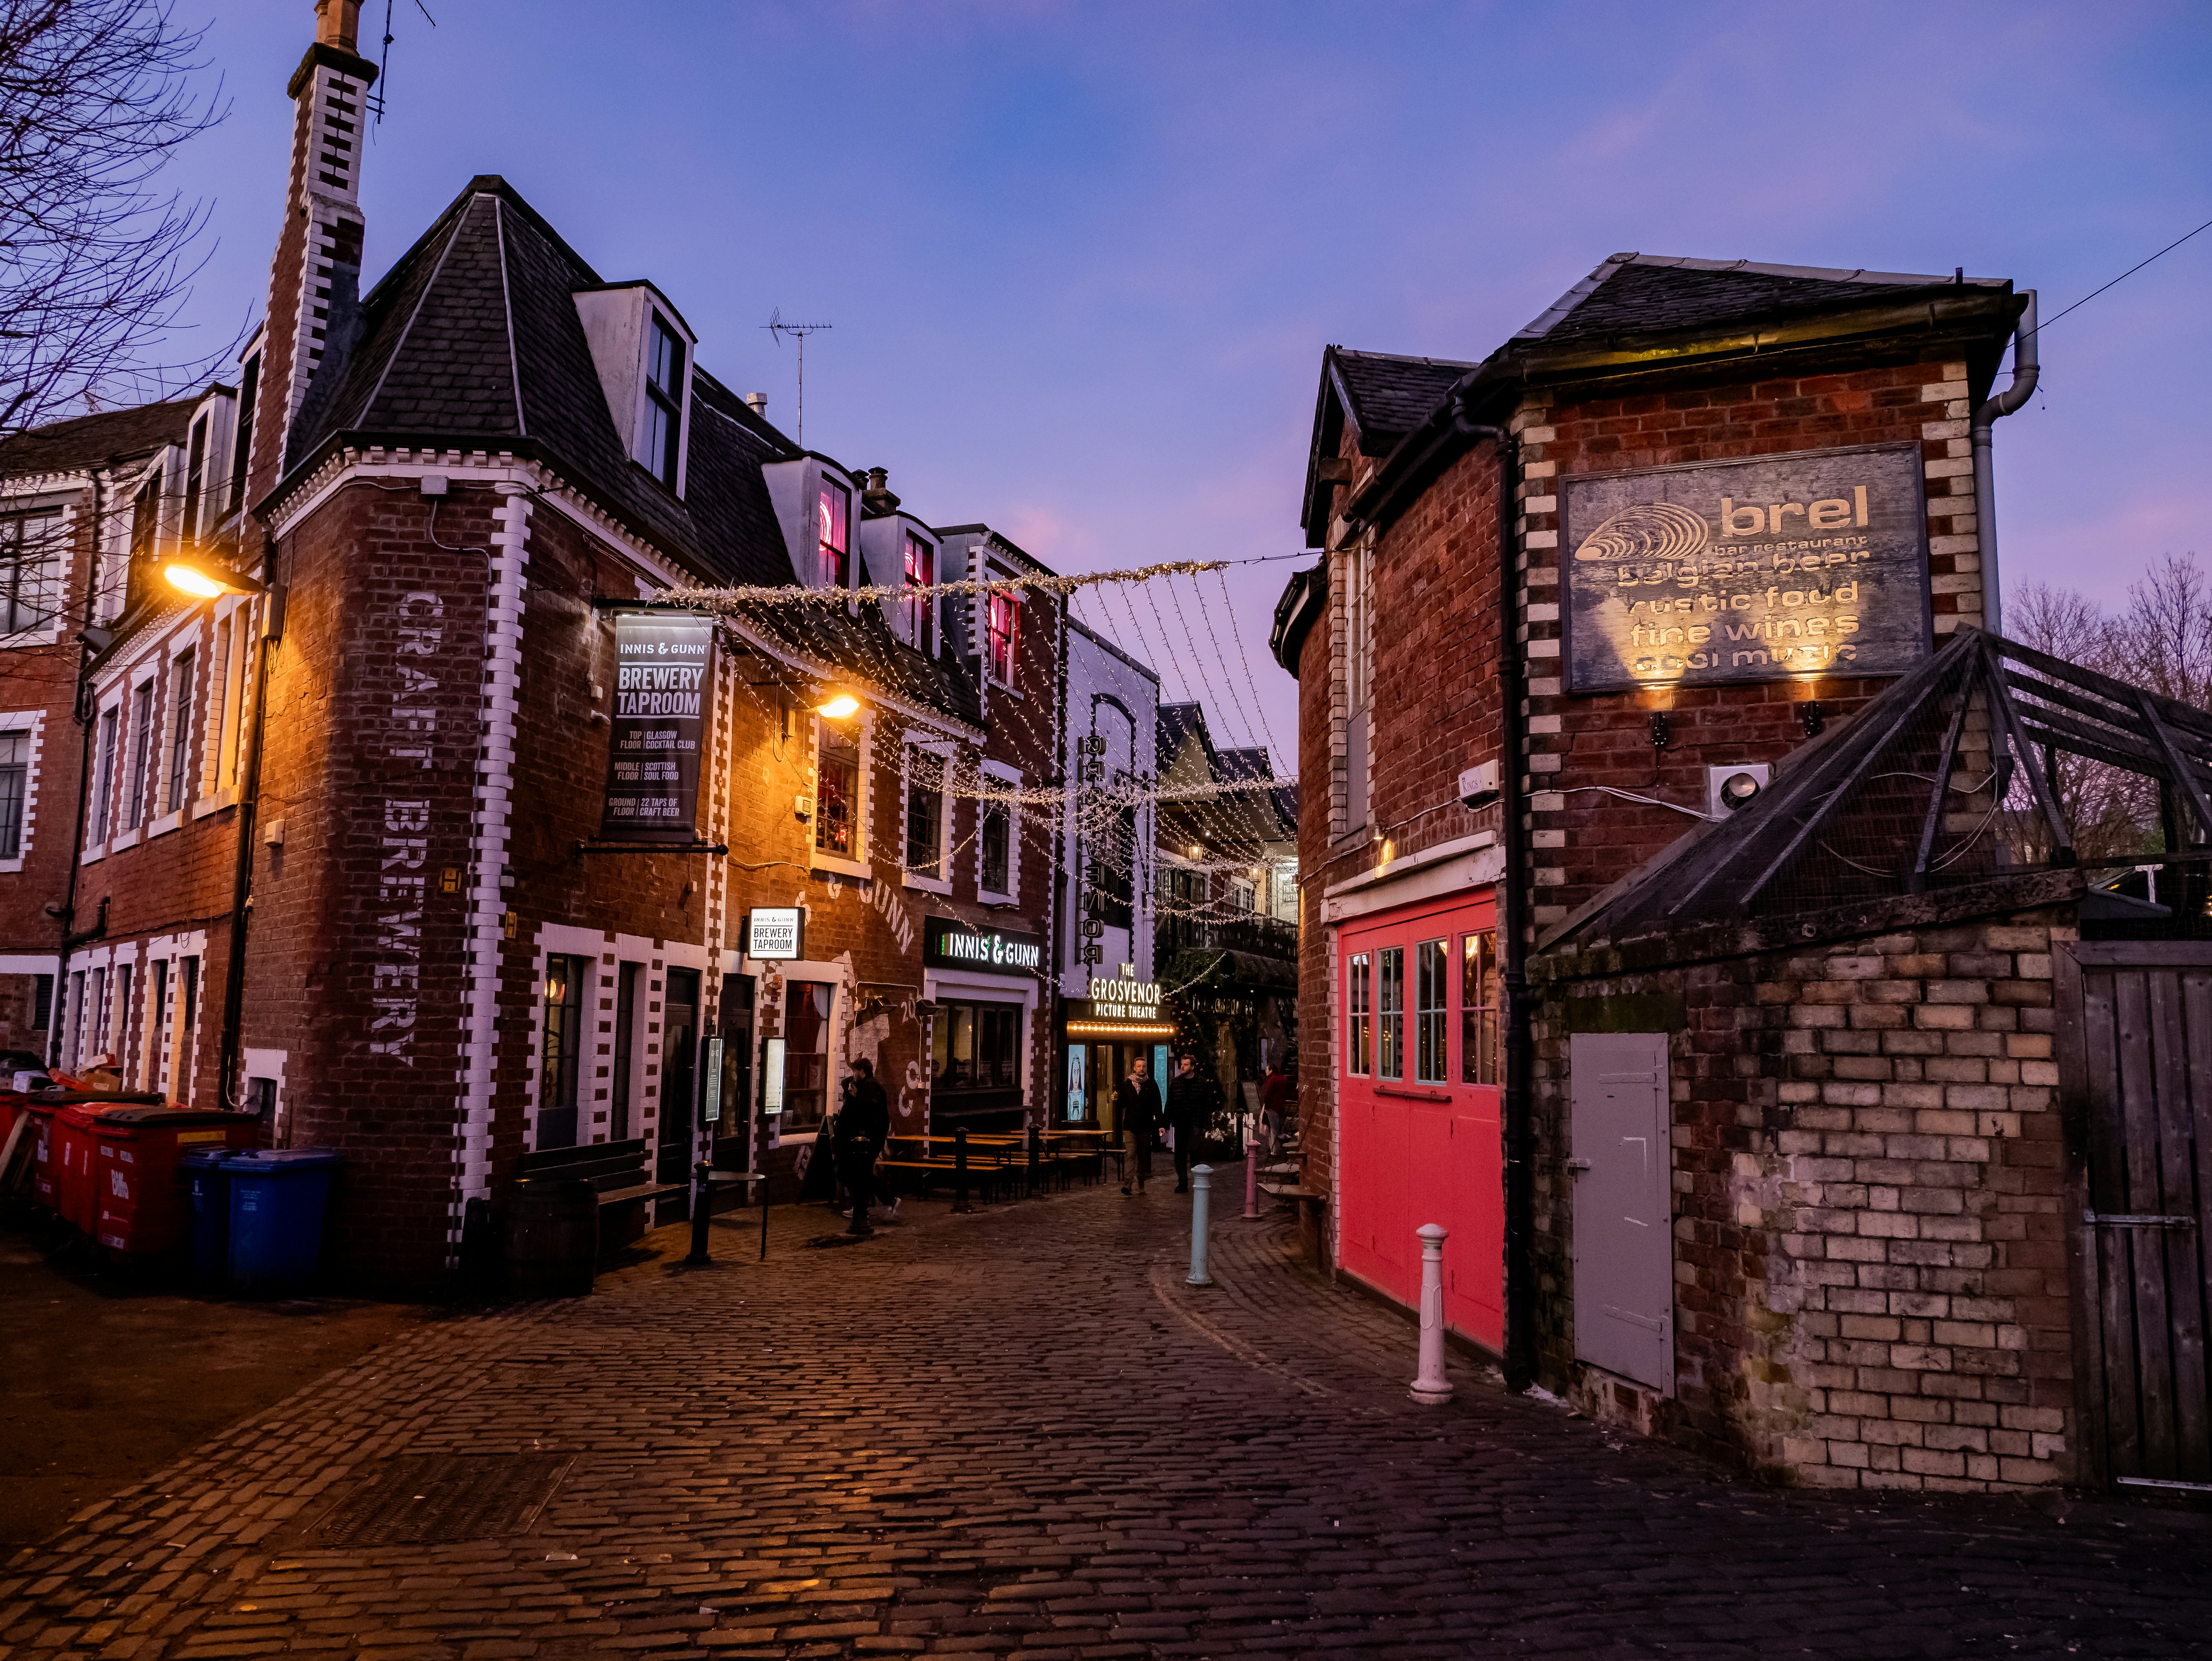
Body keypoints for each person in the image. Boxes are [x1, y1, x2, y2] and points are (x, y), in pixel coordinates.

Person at [835, 1058, 893, 1235]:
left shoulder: (870, 1087)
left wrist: (855, 1097)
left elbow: (866, 1111)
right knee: (861, 1171)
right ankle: (863, 1206)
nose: (853, 1075)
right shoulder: (866, 1086)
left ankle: (875, 1205)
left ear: (862, 1071)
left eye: (855, 1071)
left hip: (869, 1138)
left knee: (862, 1171)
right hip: (866, 1137)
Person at [1114, 1057, 1163, 1195]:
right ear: (1134, 1068)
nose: (1142, 1069)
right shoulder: (1128, 1084)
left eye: (1144, 1066)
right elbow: (1123, 1103)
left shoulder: (1152, 1085)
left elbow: (1157, 1106)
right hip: (1130, 1126)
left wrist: (1160, 1124)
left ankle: (1141, 1182)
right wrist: (1117, 1099)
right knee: (1130, 1154)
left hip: (1145, 1127)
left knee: (1143, 1156)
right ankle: (1128, 1184)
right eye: (1139, 1066)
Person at [1165, 1053, 1211, 1193]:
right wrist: (1165, 1123)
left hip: (1195, 1123)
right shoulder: (1176, 1082)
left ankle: (1199, 1180)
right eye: (1182, 1065)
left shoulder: (1201, 1082)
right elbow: (1170, 1104)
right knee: (1179, 1154)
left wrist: (1207, 1125)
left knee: (1194, 1153)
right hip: (1180, 1123)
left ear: (1192, 1067)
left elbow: (1206, 1105)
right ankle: (1183, 1182)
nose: (1182, 1067)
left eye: (1186, 1065)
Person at [1258, 1060, 1292, 1157]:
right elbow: (1286, 1093)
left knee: (1273, 1129)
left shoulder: (1272, 1080)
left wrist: (1267, 1107)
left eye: (1267, 1070)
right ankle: (1283, 1148)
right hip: (1281, 1107)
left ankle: (1274, 1151)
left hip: (1273, 1107)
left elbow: (1267, 1095)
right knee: (1280, 1129)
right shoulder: (1284, 1078)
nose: (1266, 1071)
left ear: (1271, 1070)